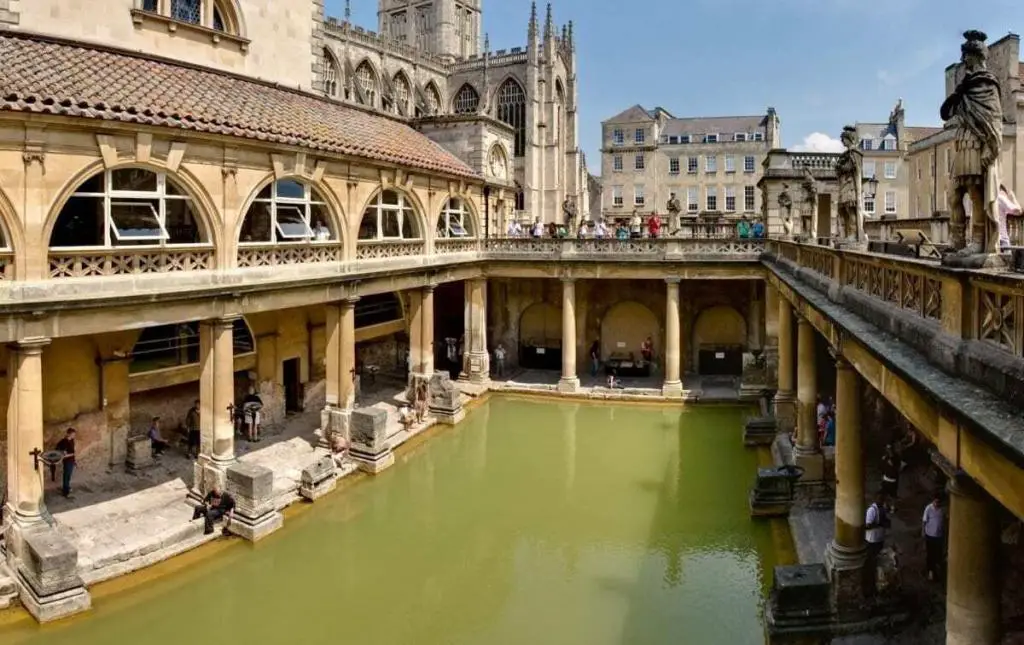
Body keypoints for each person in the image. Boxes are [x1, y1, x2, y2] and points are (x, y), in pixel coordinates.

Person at [922, 495, 945, 581]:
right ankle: (930, 571)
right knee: (930, 554)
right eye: (935, 502)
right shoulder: (928, 509)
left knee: (938, 554)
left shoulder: (942, 510)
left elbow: (943, 523)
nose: (936, 504)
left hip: (939, 536)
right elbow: (924, 521)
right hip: (930, 535)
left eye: (938, 502)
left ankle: (937, 572)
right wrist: (923, 532)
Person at [997, 184, 1021, 250]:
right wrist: (1013, 198)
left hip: (991, 239)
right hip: (1002, 240)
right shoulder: (1001, 197)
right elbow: (1019, 211)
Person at [55, 428, 77, 498]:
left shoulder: (72, 441)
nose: (74, 435)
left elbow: (72, 451)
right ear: (68, 434)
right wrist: (71, 455)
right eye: (73, 434)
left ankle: (67, 487)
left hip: (71, 461)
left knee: (69, 476)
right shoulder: (63, 442)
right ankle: (65, 491)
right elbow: (62, 454)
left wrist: (74, 460)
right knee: (66, 476)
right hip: (67, 461)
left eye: (74, 434)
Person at [880, 444, 900, 508]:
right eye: (887, 449)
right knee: (884, 494)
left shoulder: (896, 457)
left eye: (890, 449)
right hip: (886, 478)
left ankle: (892, 507)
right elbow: (882, 466)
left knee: (893, 495)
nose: (889, 451)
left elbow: (897, 466)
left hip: (893, 480)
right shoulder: (884, 457)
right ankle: (885, 506)